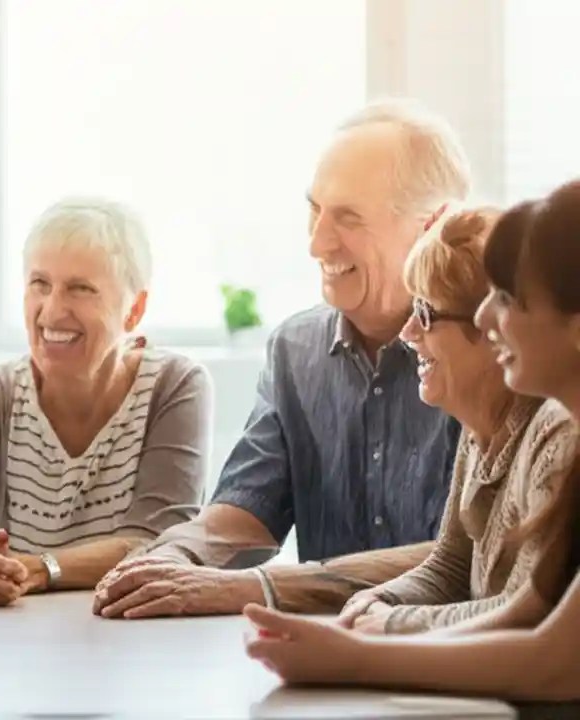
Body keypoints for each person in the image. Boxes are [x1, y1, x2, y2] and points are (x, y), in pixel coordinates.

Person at [93, 99, 470, 621]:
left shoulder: (485, 354)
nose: (317, 243)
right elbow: (246, 512)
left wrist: (256, 588)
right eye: (315, 210)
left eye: (348, 218)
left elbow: (461, 559)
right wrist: (173, 556)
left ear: (433, 227)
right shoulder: (296, 349)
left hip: (445, 651)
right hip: (322, 652)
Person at [244, 181, 580, 702]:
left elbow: (552, 660)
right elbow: (527, 621)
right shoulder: (500, 433)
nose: (486, 318)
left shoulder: (558, 435)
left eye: (508, 299)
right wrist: (361, 632)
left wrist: (361, 649)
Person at [0, 198, 211, 606]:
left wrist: (41, 569)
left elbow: (159, 543)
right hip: (23, 635)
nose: (53, 311)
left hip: (134, 632)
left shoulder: (175, 385)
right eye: (40, 284)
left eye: (81, 289)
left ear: (134, 309)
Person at [329, 207, 575, 635]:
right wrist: (381, 599)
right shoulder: (478, 429)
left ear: (494, 331)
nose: (407, 332)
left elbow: (525, 612)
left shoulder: (556, 431)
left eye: (426, 313)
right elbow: (450, 566)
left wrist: (392, 624)